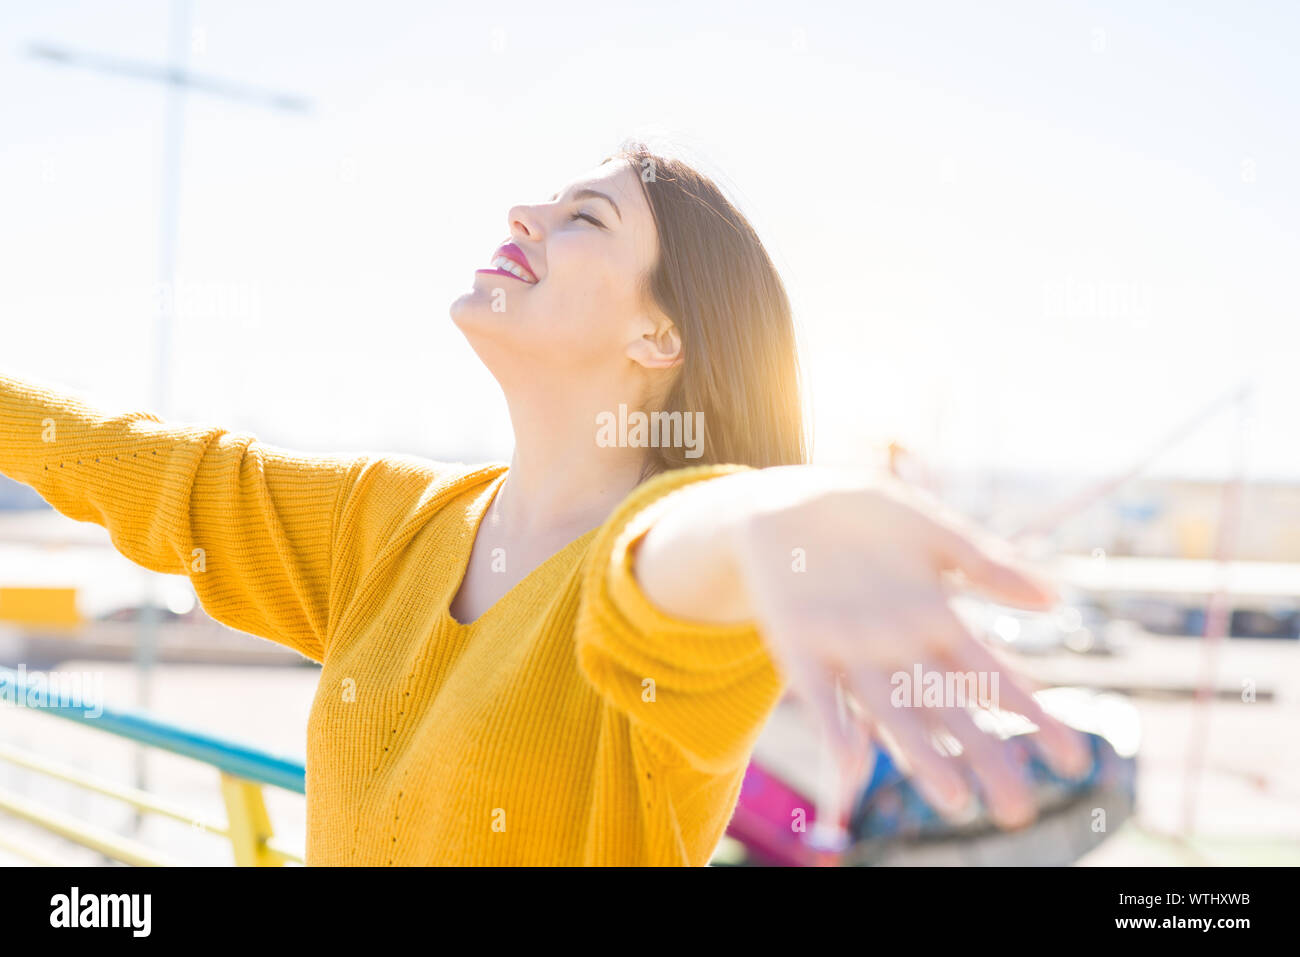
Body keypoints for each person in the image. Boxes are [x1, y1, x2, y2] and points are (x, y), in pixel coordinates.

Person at [0, 140, 1094, 866]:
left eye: (586, 220)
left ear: (658, 338)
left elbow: (671, 556)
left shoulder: (667, 575)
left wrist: (769, 519)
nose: (526, 211)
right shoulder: (396, 522)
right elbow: (149, 469)